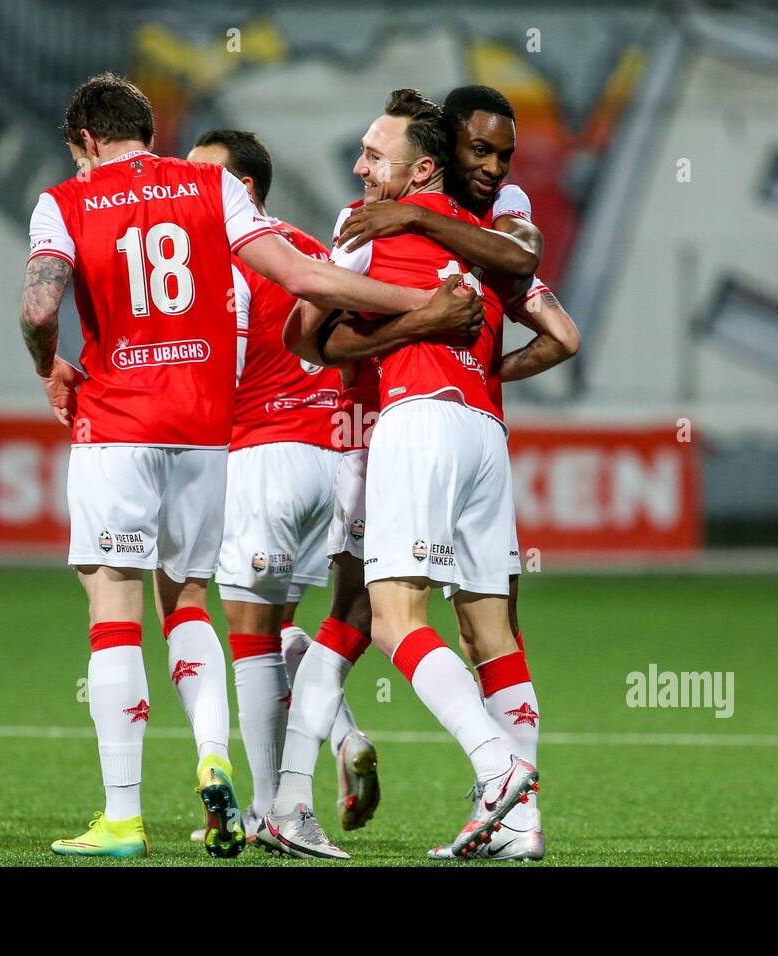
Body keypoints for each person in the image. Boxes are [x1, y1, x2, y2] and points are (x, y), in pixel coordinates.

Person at [20, 73, 442, 860]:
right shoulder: (213, 187)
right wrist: (416, 306)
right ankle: (218, 757)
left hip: (123, 426)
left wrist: (50, 366)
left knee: (116, 613)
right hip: (212, 436)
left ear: (84, 141)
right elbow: (305, 278)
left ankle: (124, 818)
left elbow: (40, 308)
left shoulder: (65, 200)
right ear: (149, 129)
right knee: (192, 604)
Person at [258, 89, 540, 860]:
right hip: (478, 427)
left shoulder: (367, 228)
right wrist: (452, 333)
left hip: (393, 435)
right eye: (480, 152)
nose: (358, 166)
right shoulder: (485, 227)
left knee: (374, 621)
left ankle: (495, 768)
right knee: (475, 628)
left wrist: (405, 309)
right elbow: (553, 313)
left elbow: (304, 330)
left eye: (372, 155)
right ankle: (518, 825)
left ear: (420, 167)